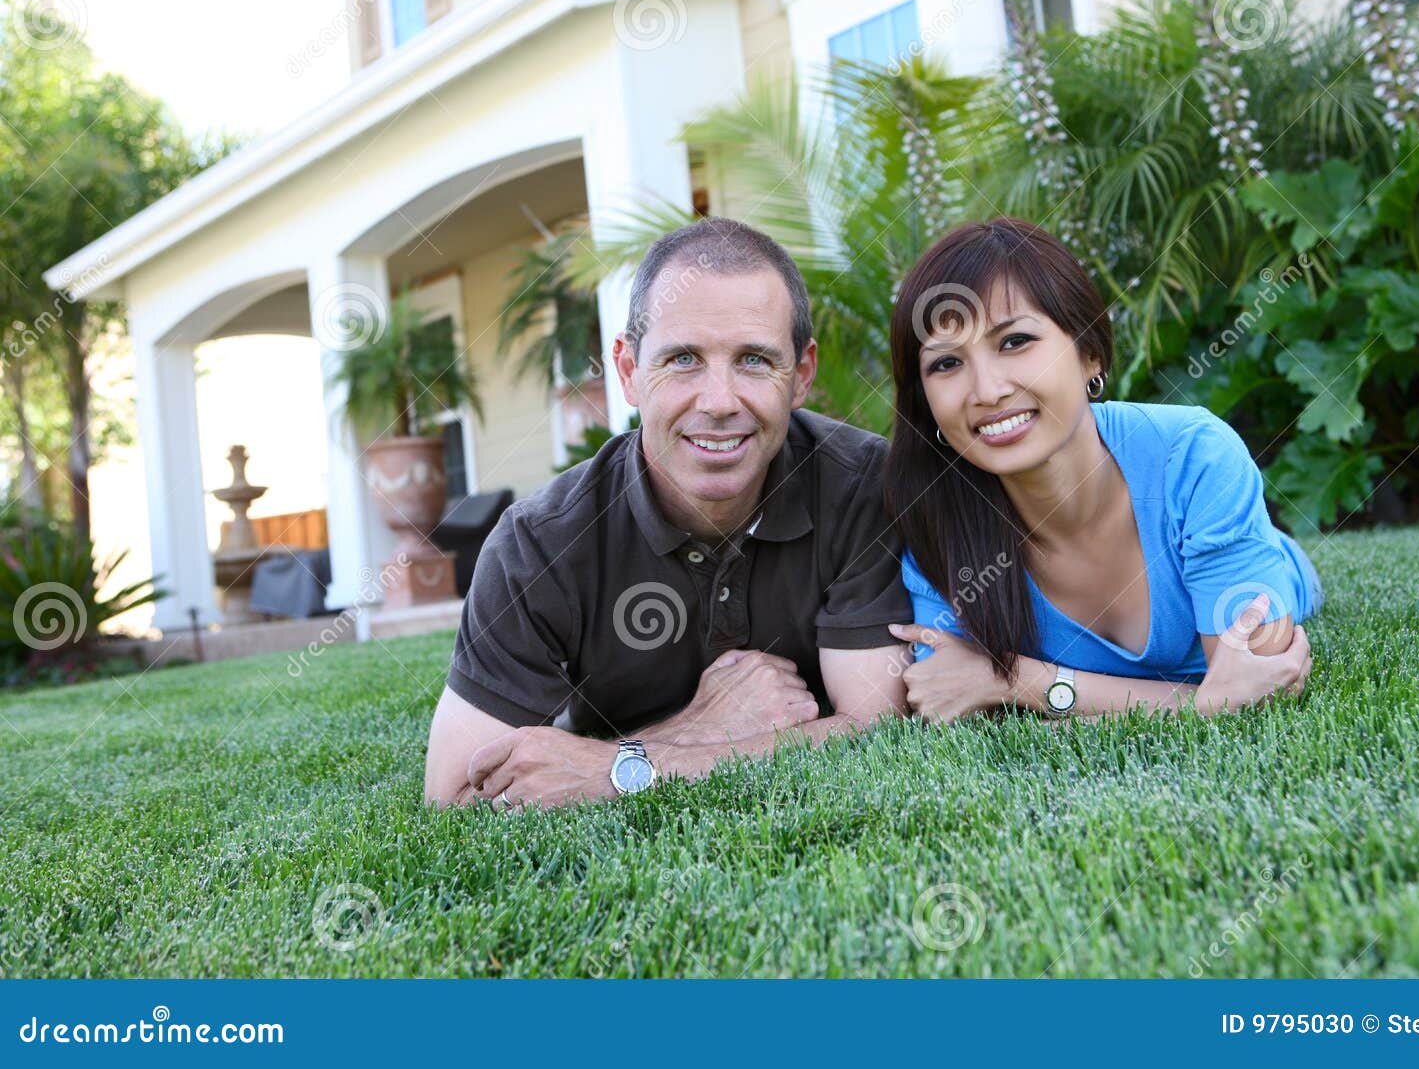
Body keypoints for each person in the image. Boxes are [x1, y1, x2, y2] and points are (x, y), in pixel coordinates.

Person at [424, 218, 912, 809]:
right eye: (683, 359)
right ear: (629, 371)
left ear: (801, 375)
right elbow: (454, 801)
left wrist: (614, 768)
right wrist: (699, 729)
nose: (719, 402)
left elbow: (876, 734)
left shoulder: (861, 486)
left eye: (755, 360)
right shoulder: (537, 544)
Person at [880, 217, 1321, 722]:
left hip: (1271, 562)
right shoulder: (939, 522)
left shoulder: (1195, 458)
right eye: (946, 364)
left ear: (1089, 353)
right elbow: (946, 694)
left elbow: (1256, 691)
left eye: (1014, 341)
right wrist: (1203, 704)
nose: (987, 391)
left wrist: (1015, 680)